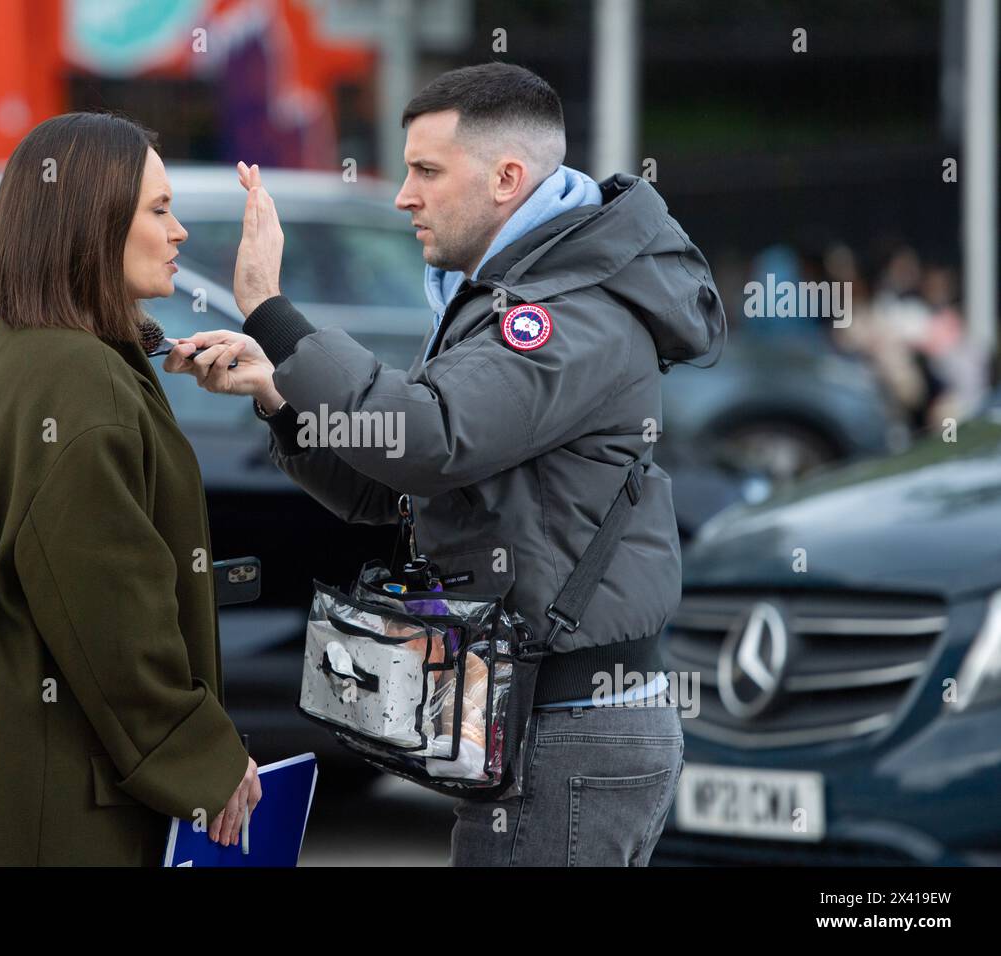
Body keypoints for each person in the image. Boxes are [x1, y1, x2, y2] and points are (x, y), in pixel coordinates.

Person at [166, 63, 725, 866]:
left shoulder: (570, 313)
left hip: (564, 728)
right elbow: (385, 485)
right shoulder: (511, 294)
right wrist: (276, 392)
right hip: (534, 722)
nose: (403, 195)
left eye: (427, 170)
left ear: (507, 177)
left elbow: (431, 439)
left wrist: (275, 317)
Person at [0, 112, 260, 866]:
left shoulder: (9, 352)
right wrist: (204, 759)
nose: (180, 232)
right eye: (159, 211)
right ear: (92, 224)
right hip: (57, 813)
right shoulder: (78, 377)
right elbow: (113, 613)